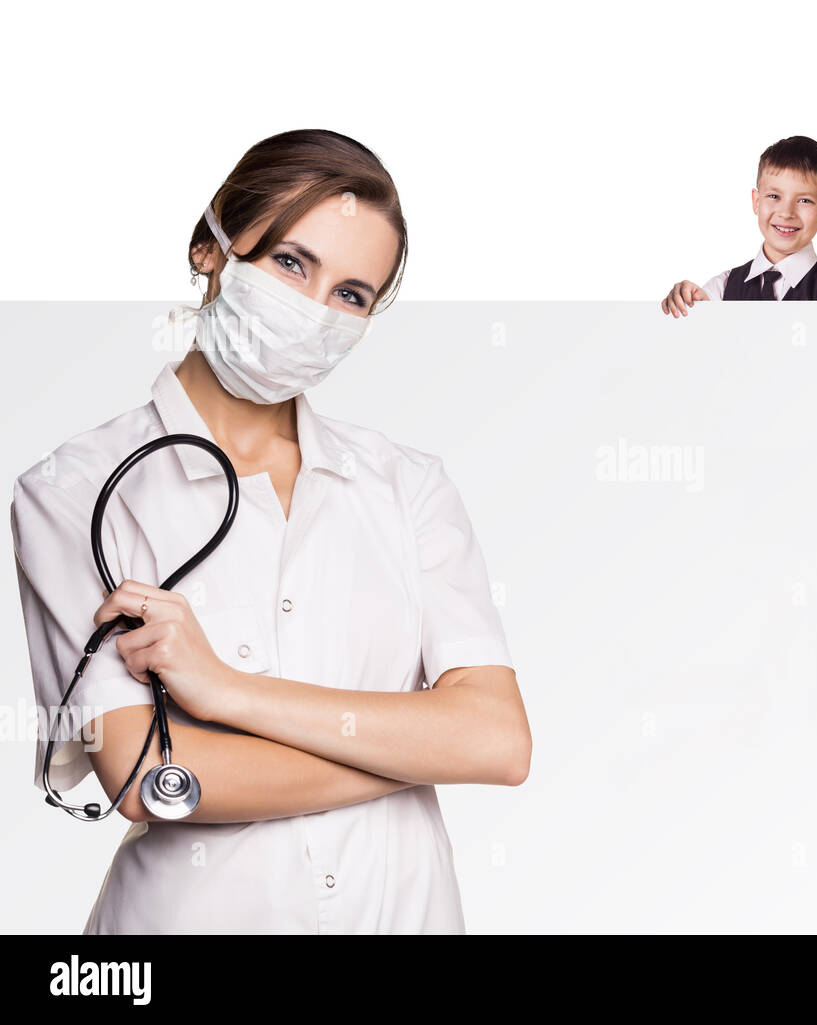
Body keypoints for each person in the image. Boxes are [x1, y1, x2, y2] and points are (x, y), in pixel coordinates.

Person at [10, 129, 531, 934]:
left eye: (351, 294)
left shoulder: (407, 484)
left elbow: (498, 740)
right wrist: (415, 744)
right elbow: (150, 779)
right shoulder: (75, 490)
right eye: (292, 263)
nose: (314, 311)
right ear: (211, 245)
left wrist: (228, 692)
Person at [661, 135, 817, 315]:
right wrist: (688, 308)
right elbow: (699, 346)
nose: (786, 213)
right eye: (774, 196)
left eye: (804, 201)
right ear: (756, 202)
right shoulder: (721, 289)